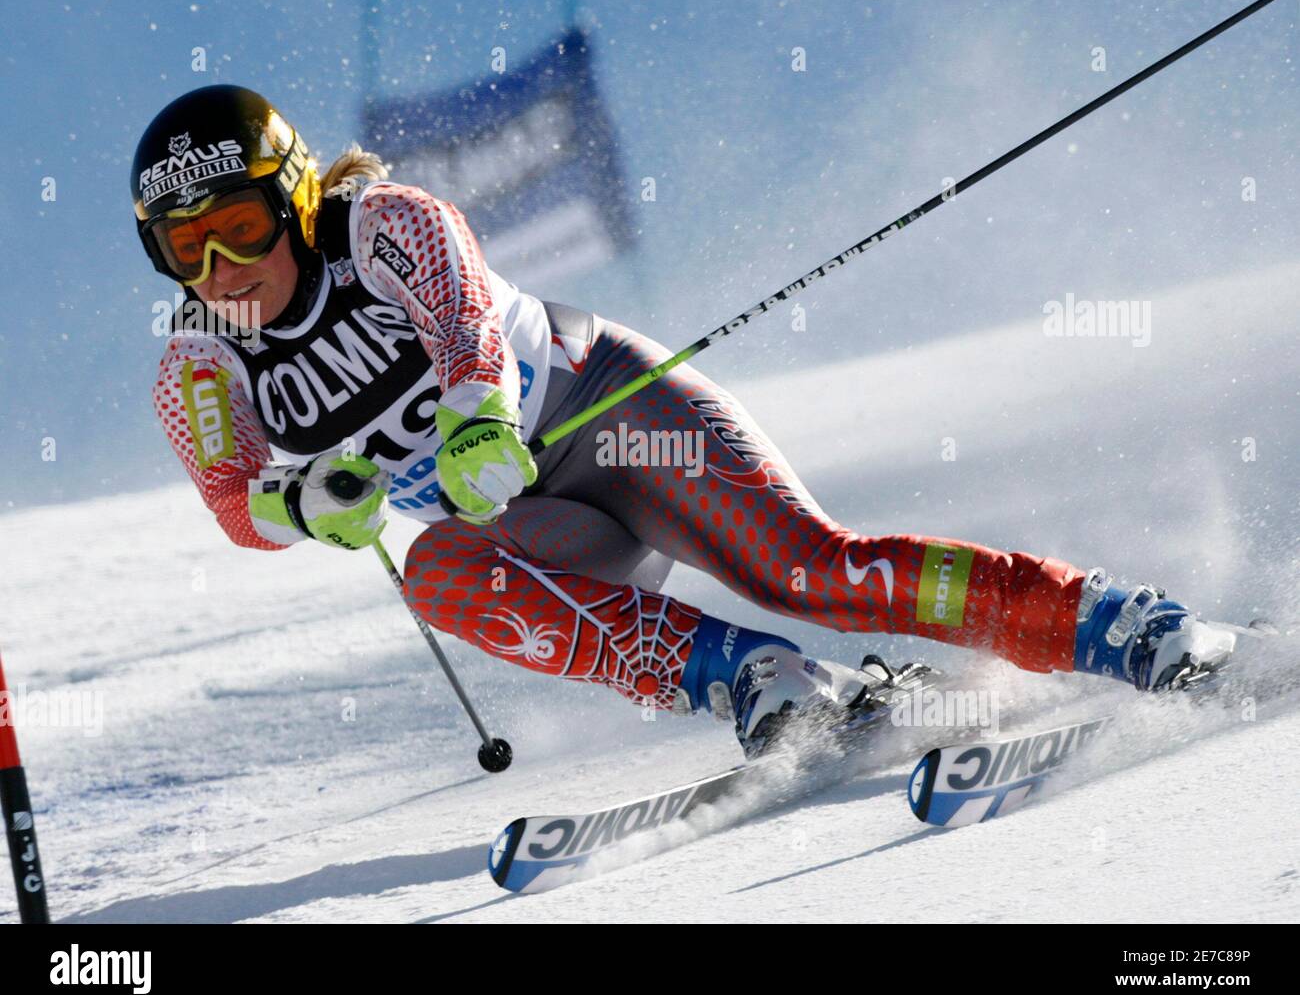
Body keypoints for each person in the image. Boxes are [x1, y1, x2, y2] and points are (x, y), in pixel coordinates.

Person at [134, 85, 1236, 758]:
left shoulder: (381, 224)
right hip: (529, 526)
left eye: (239, 225)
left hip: (612, 420)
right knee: (438, 573)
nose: (224, 266)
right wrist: (302, 504)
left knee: (811, 573)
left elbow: (466, 324)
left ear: (298, 200)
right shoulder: (197, 358)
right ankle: (767, 685)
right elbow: (236, 501)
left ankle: (1119, 625)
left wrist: (476, 423)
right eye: (191, 249)